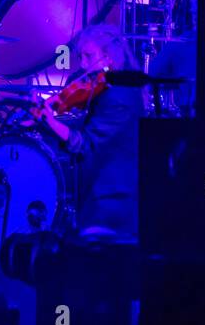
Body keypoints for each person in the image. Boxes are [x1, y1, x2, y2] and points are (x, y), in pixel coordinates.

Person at [32, 23, 140, 237]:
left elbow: (86, 145)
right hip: (103, 194)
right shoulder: (109, 90)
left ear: (109, 58)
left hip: (112, 201)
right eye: (81, 57)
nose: (83, 65)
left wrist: (51, 123)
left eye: (89, 56)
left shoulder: (120, 97)